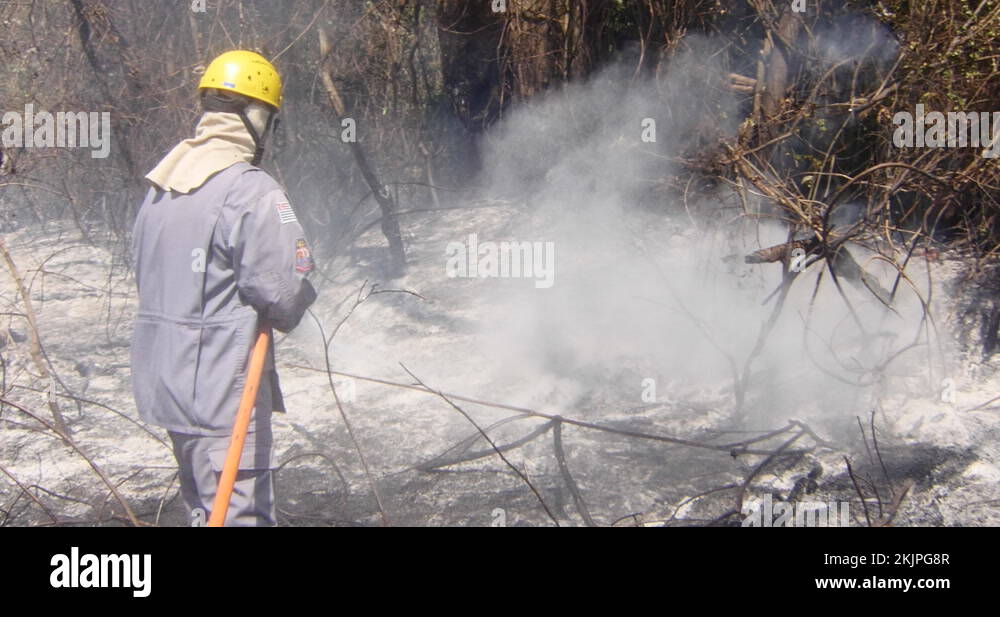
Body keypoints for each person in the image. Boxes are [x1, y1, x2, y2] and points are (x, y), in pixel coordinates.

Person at [130, 50, 317, 526]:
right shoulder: (253, 189)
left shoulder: (160, 187)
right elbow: (284, 296)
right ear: (257, 117)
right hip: (223, 396)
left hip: (169, 390)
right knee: (238, 517)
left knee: (201, 512)